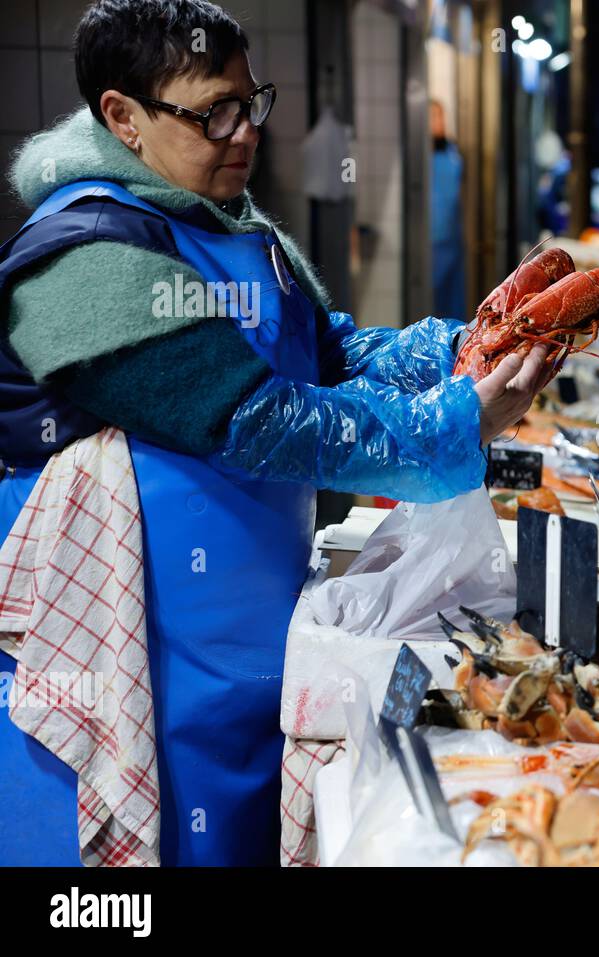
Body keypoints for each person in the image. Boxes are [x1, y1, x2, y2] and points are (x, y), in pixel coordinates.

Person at [0, 0, 549, 865]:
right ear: (123, 118)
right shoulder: (86, 256)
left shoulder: (233, 227)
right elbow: (256, 417)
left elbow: (326, 354)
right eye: (212, 110)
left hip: (247, 654)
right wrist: (454, 425)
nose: (243, 132)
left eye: (252, 103)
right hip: (133, 666)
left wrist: (464, 347)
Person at [429, 98, 466, 322]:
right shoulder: (416, 159)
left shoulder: (453, 155)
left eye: (440, 116)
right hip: (428, 245)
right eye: (432, 116)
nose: (437, 122)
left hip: (451, 243)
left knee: (451, 307)